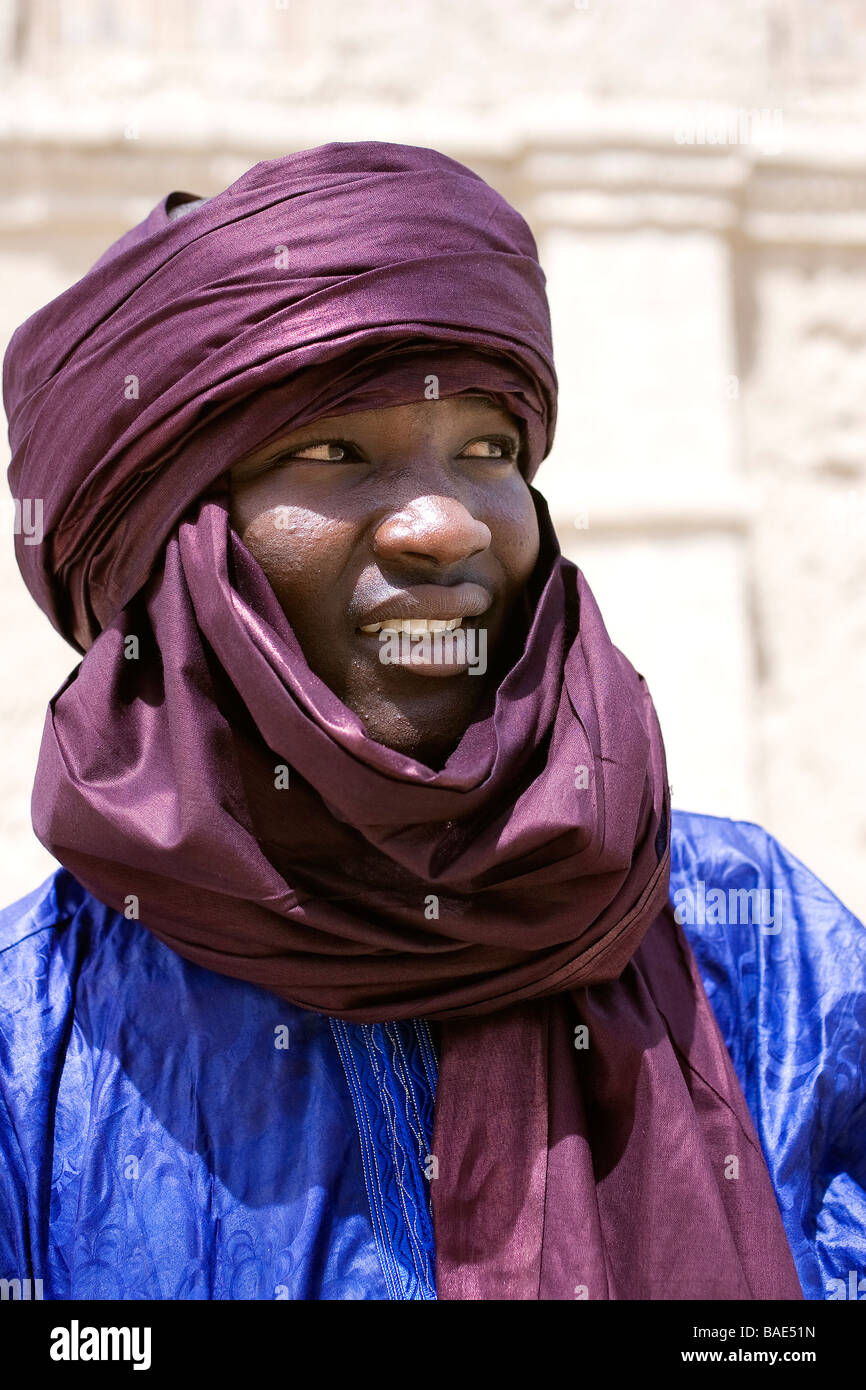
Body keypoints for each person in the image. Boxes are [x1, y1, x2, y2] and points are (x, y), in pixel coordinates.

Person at [0, 142, 863, 1302]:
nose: (443, 526)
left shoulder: (756, 945)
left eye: (486, 451)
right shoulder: (38, 1036)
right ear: (174, 549)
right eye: (332, 450)